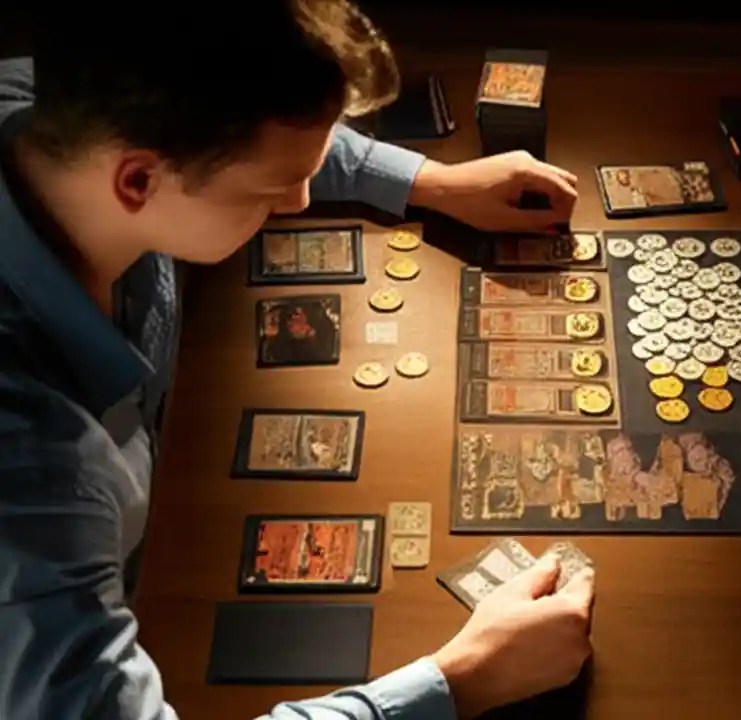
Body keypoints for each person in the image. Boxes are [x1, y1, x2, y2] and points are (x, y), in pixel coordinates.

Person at [0, 2, 595, 719]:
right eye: (269, 189)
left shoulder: (51, 108)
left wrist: (428, 183)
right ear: (137, 183)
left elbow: (232, 132)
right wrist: (463, 679)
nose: (300, 199)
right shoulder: (34, 467)